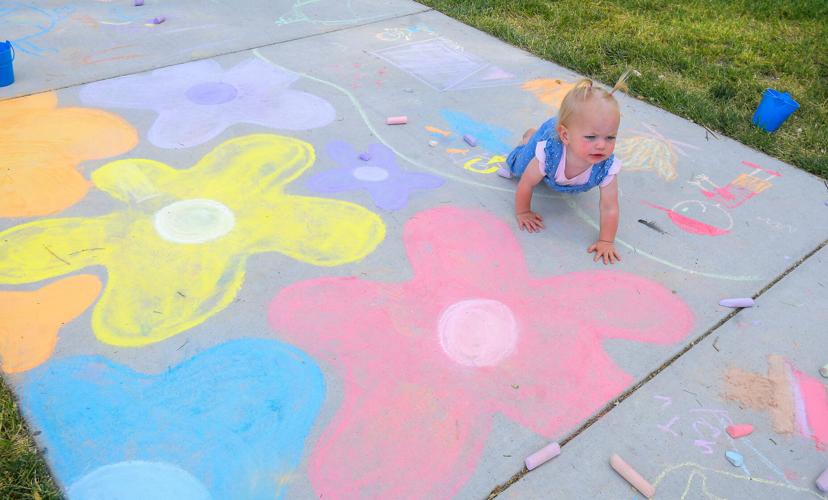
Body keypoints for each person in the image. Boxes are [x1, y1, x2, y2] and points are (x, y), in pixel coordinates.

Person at [498, 74, 631, 265]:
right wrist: (523, 212)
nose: (602, 145)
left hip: (565, 137)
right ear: (566, 136)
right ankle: (530, 138)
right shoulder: (550, 153)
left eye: (610, 138)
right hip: (548, 135)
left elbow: (609, 206)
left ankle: (536, 138)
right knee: (518, 168)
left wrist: (606, 241)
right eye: (591, 137)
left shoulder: (606, 167)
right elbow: (527, 183)